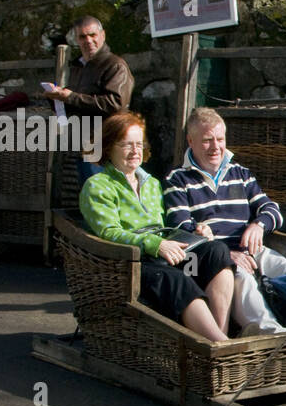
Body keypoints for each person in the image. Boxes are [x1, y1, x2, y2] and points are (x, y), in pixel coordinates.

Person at [162, 106, 286, 335]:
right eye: (207, 140)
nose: (215, 147)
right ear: (191, 140)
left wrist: (259, 225)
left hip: (253, 250)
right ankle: (274, 337)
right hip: (215, 261)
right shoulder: (177, 179)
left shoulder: (240, 173)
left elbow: (272, 209)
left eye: (220, 139)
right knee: (245, 283)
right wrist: (219, 250)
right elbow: (179, 227)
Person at [79, 111, 235, 342]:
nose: (135, 151)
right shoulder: (97, 186)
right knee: (175, 278)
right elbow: (108, 233)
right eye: (126, 145)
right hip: (129, 263)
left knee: (216, 251)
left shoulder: (151, 183)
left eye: (139, 144)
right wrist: (154, 244)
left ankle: (220, 333)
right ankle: (218, 345)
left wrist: (196, 231)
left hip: (164, 252)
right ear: (108, 147)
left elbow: (169, 224)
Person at [43, 16, 134, 182]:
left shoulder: (115, 65)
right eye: (82, 37)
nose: (88, 40)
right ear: (76, 40)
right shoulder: (77, 67)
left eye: (93, 35)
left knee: (104, 201)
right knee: (90, 199)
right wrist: (55, 97)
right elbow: (75, 105)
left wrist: (71, 96)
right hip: (84, 145)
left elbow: (115, 104)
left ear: (103, 35)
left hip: (107, 146)